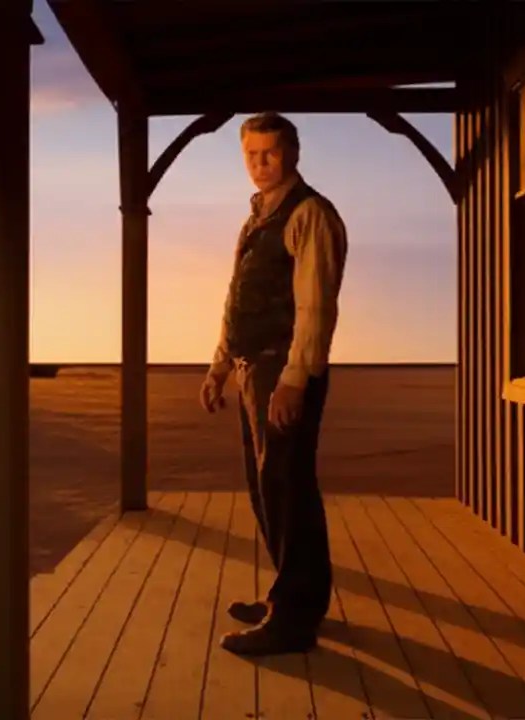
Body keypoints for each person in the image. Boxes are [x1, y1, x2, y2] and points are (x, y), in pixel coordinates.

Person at [200, 112, 348, 655]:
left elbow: (316, 306)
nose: (260, 165)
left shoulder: (310, 214)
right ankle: (290, 597)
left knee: (288, 489)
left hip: (282, 371)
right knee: (269, 490)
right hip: (249, 370)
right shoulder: (256, 219)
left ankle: (294, 619)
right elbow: (236, 299)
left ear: (293, 153)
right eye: (251, 155)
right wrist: (220, 365)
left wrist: (294, 379)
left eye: (270, 154)